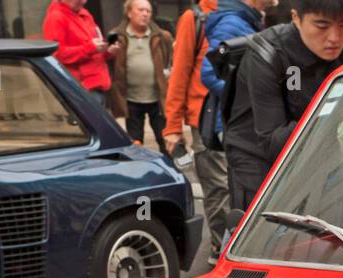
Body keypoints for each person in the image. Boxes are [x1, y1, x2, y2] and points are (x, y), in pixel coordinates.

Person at [221, 0, 343, 210]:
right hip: (259, 163)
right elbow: (274, 143)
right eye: (321, 26)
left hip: (320, 151)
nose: (334, 38)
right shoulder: (267, 54)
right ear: (296, 19)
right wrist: (338, 107)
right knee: (266, 236)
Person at [165, 0, 232, 260]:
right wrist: (172, 125)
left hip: (237, 115)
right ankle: (221, 249)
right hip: (204, 117)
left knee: (237, 185)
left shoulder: (243, 13)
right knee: (219, 187)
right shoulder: (194, 19)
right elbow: (180, 72)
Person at [200, 0, 276, 144]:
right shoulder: (232, 22)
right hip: (235, 124)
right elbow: (209, 72)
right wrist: (248, 98)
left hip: (241, 122)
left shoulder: (246, 20)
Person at [109, 0, 174, 154]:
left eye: (148, 11)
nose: (145, 14)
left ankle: (176, 171)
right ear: (129, 13)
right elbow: (108, 62)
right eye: (141, 10)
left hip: (158, 100)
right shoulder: (114, 35)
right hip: (131, 100)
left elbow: (172, 60)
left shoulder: (163, 36)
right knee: (135, 144)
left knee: (167, 140)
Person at [42, 0, 117, 104]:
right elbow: (57, 55)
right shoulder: (55, 18)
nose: (84, 2)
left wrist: (108, 51)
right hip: (82, 89)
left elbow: (95, 51)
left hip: (100, 86)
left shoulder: (85, 14)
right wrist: (90, 48)